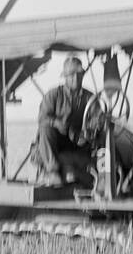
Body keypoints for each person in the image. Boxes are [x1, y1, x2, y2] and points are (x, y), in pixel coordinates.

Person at [32, 56, 94, 185]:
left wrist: (90, 129)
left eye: (79, 74)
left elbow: (97, 118)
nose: (75, 78)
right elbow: (42, 119)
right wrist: (56, 123)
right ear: (65, 76)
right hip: (53, 145)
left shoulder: (90, 98)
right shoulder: (53, 95)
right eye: (71, 75)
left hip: (77, 145)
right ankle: (52, 171)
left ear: (83, 75)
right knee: (46, 129)